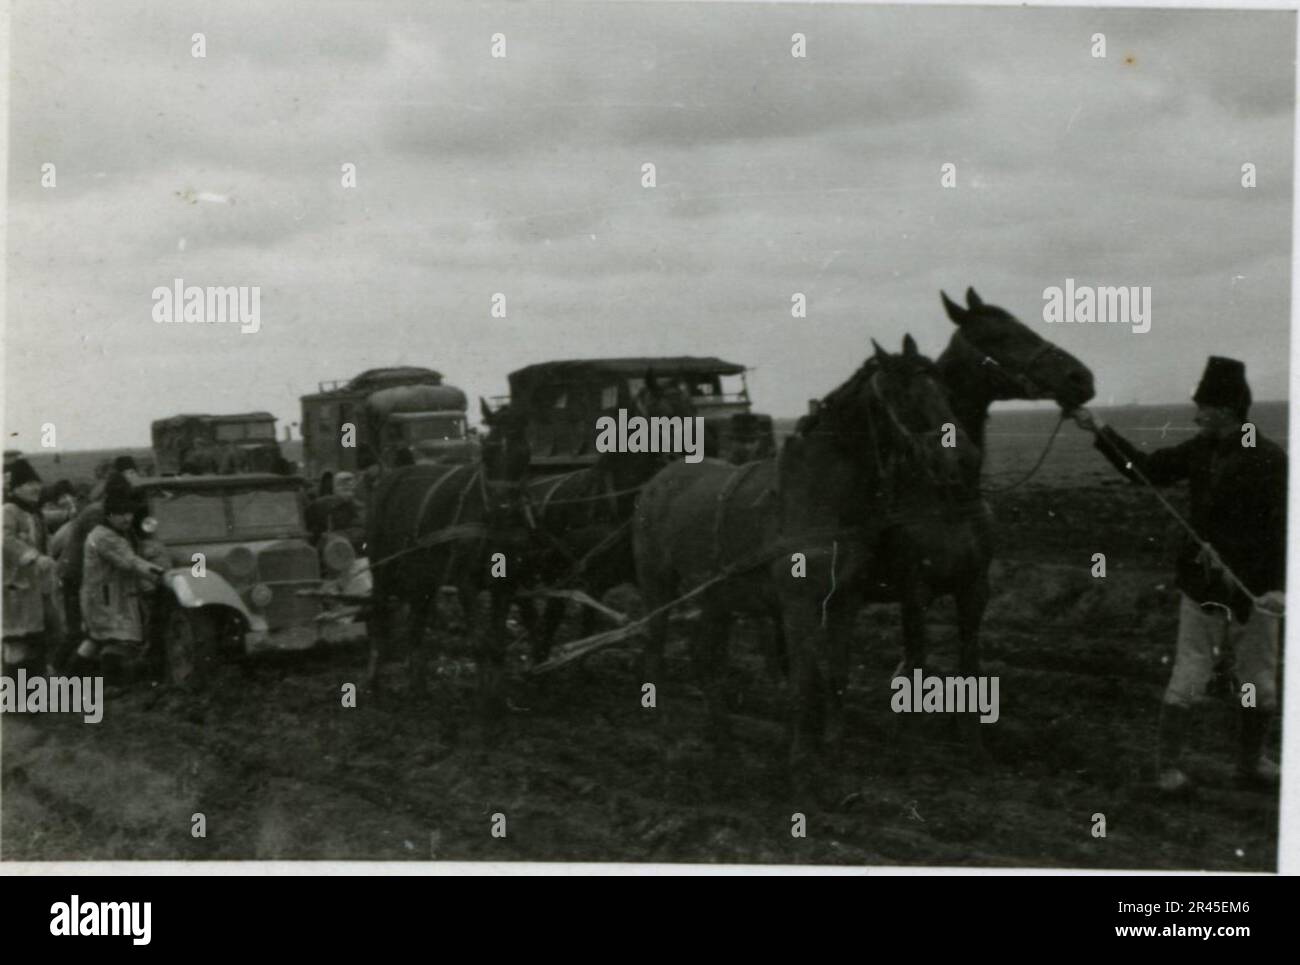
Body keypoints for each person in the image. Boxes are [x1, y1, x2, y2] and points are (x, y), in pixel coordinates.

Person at [1071, 356, 1285, 793]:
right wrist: (1099, 430)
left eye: (1203, 406)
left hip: (1257, 594)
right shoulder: (1200, 449)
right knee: (1189, 677)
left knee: (1258, 684)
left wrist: (1280, 588)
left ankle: (1251, 763)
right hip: (1202, 589)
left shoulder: (1268, 458)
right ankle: (1168, 770)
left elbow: (1284, 529)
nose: (1196, 413)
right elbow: (1146, 471)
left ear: (1226, 410)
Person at [73, 485, 165, 680]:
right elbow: (130, 562)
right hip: (105, 598)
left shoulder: (111, 533)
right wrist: (161, 576)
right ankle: (111, 682)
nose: (126, 518)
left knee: (96, 639)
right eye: (120, 514)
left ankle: (71, 679)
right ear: (109, 516)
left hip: (103, 595)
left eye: (129, 513)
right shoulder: (105, 537)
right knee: (116, 638)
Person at [3, 458, 61, 673]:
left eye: (37, 483)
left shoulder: (34, 513)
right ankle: (15, 698)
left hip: (37, 587)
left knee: (44, 635)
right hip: (14, 587)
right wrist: (33, 557)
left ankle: (34, 691)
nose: (36, 488)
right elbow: (4, 538)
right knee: (17, 642)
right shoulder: (9, 510)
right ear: (17, 488)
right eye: (29, 484)